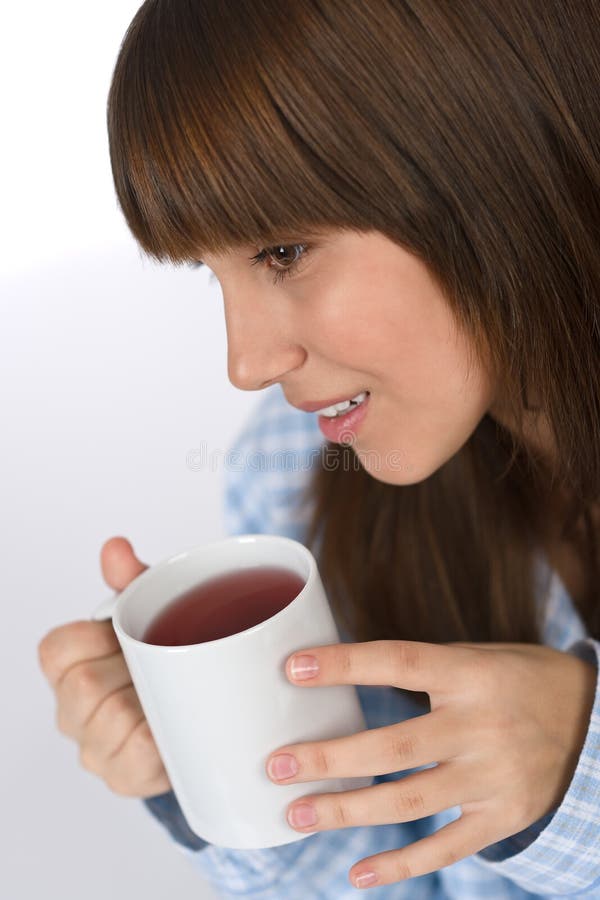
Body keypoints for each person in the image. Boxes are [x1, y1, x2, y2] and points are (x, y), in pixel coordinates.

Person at [37, 0, 600, 896]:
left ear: (488, 167)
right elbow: (389, 877)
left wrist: (584, 768)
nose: (247, 363)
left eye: (284, 250)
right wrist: (217, 775)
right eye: (209, 274)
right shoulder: (298, 475)